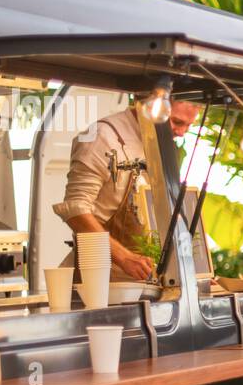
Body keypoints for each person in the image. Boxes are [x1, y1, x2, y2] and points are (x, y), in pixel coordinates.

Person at [53, 99, 199, 280]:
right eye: (177, 122)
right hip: (98, 280)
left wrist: (194, 274)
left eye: (189, 125)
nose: (182, 132)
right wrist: (124, 257)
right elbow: (75, 209)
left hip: (148, 281)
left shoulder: (163, 144)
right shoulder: (100, 135)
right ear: (150, 105)